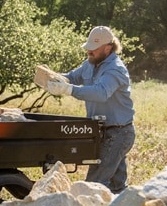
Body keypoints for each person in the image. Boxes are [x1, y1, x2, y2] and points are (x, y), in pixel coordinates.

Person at [45, 25, 136, 193]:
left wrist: (69, 89)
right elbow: (72, 76)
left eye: (93, 49)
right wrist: (55, 78)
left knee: (93, 185)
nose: (89, 51)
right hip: (103, 131)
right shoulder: (91, 63)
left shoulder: (115, 69)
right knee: (116, 187)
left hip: (118, 133)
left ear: (108, 48)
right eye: (88, 48)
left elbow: (101, 93)